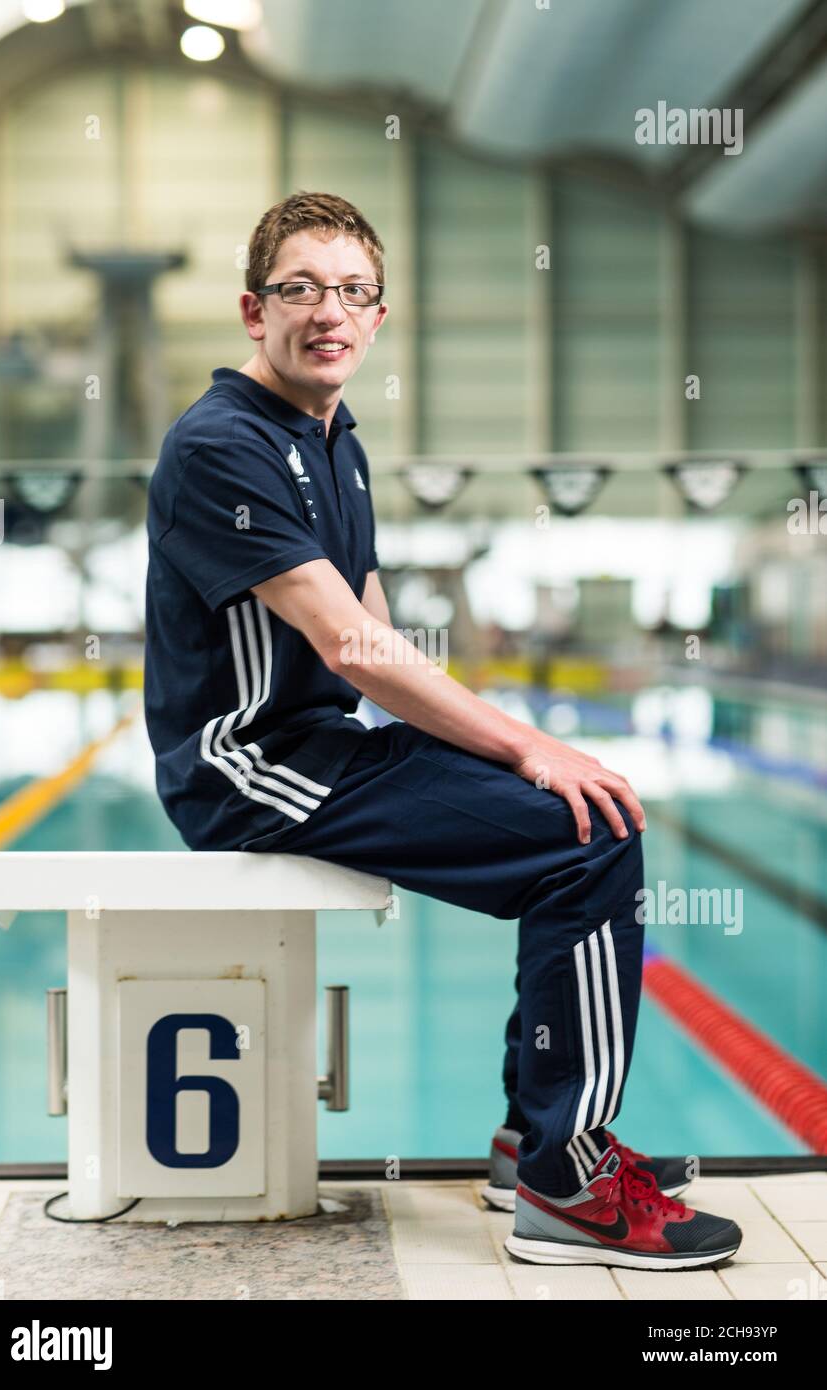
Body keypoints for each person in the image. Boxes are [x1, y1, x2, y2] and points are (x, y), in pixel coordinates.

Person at [143, 190, 742, 1271]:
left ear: (377, 317)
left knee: (569, 817)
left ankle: (533, 1144)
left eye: (353, 291)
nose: (328, 311)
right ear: (250, 310)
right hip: (248, 768)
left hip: (323, 747)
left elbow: (372, 626)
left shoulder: (335, 440)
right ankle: (567, 1176)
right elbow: (351, 651)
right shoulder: (219, 444)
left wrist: (488, 755)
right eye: (299, 289)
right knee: (588, 831)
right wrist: (524, 745)